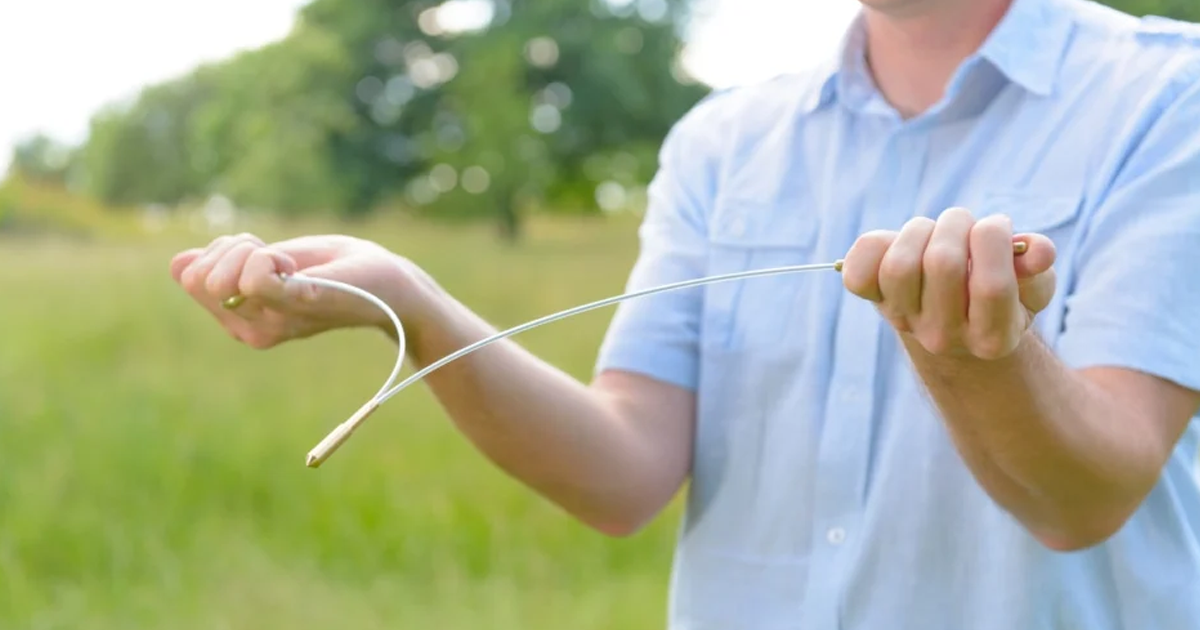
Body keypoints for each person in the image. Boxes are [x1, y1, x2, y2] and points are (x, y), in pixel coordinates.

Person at [171, 0, 1200, 626]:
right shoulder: (723, 140)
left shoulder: (1171, 97)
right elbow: (621, 475)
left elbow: (1085, 498)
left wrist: (975, 356)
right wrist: (413, 304)